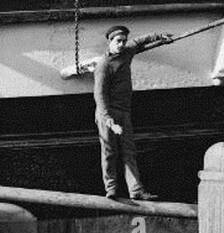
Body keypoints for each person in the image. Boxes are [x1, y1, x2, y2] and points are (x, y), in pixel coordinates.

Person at [60, 25, 171, 201]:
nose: (121, 44)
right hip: (108, 115)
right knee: (109, 152)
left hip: (124, 113)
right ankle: (111, 189)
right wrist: (110, 122)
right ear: (110, 42)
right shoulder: (103, 66)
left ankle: (136, 191)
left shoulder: (126, 53)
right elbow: (100, 96)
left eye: (123, 41)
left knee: (129, 152)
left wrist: (160, 36)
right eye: (118, 41)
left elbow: (140, 41)